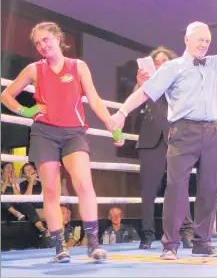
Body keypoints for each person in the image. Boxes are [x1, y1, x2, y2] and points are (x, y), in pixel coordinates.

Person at [108, 1, 217, 260]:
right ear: (187, 40)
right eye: (200, 39)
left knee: (210, 188)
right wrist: (122, 112)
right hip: (183, 130)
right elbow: (146, 92)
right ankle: (170, 245)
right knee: (176, 188)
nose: (204, 43)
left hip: (212, 131)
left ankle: (203, 243)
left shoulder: (213, 64)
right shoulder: (173, 67)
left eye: (208, 40)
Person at [0, 21, 124, 263]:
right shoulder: (34, 69)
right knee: (51, 190)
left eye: (46, 40)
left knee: (84, 184)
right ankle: (60, 248)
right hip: (44, 133)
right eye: (37, 43)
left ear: (58, 38)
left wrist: (113, 126)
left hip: (73, 133)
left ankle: (94, 245)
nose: (42, 46)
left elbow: (95, 100)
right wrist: (27, 111)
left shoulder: (78, 66)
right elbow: (6, 95)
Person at [133, 46, 194, 250]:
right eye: (156, 61)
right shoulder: (145, 86)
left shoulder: (179, 83)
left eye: (164, 61)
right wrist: (139, 85)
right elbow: (132, 109)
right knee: (148, 191)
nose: (160, 64)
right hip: (150, 142)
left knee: (179, 187)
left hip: (175, 139)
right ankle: (147, 236)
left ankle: (187, 233)